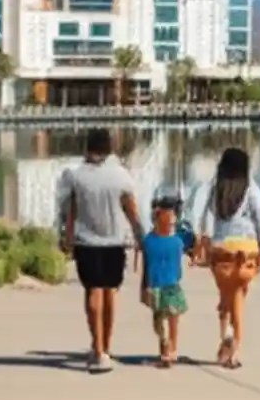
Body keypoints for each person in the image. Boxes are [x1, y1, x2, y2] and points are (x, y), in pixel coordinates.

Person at [58, 128, 144, 372]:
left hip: (86, 242)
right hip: (115, 242)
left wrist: (66, 238)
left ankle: (97, 348)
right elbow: (131, 208)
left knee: (93, 292)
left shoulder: (75, 176)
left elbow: (69, 211)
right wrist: (140, 235)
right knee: (110, 293)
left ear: (87, 147)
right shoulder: (121, 176)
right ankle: (106, 345)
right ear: (109, 148)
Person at [197, 147, 260, 369]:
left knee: (226, 295)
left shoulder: (217, 189)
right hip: (246, 252)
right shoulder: (252, 189)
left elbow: (206, 218)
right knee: (239, 297)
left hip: (222, 253)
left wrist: (205, 244)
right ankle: (233, 351)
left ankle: (226, 335)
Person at [140, 195, 191, 368]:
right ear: (157, 217)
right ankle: (165, 345)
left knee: (173, 319)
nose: (171, 220)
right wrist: (144, 286)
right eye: (167, 216)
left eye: (173, 217)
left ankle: (170, 351)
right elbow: (146, 265)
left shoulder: (178, 239)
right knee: (159, 321)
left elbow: (195, 241)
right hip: (155, 285)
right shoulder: (149, 240)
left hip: (172, 285)